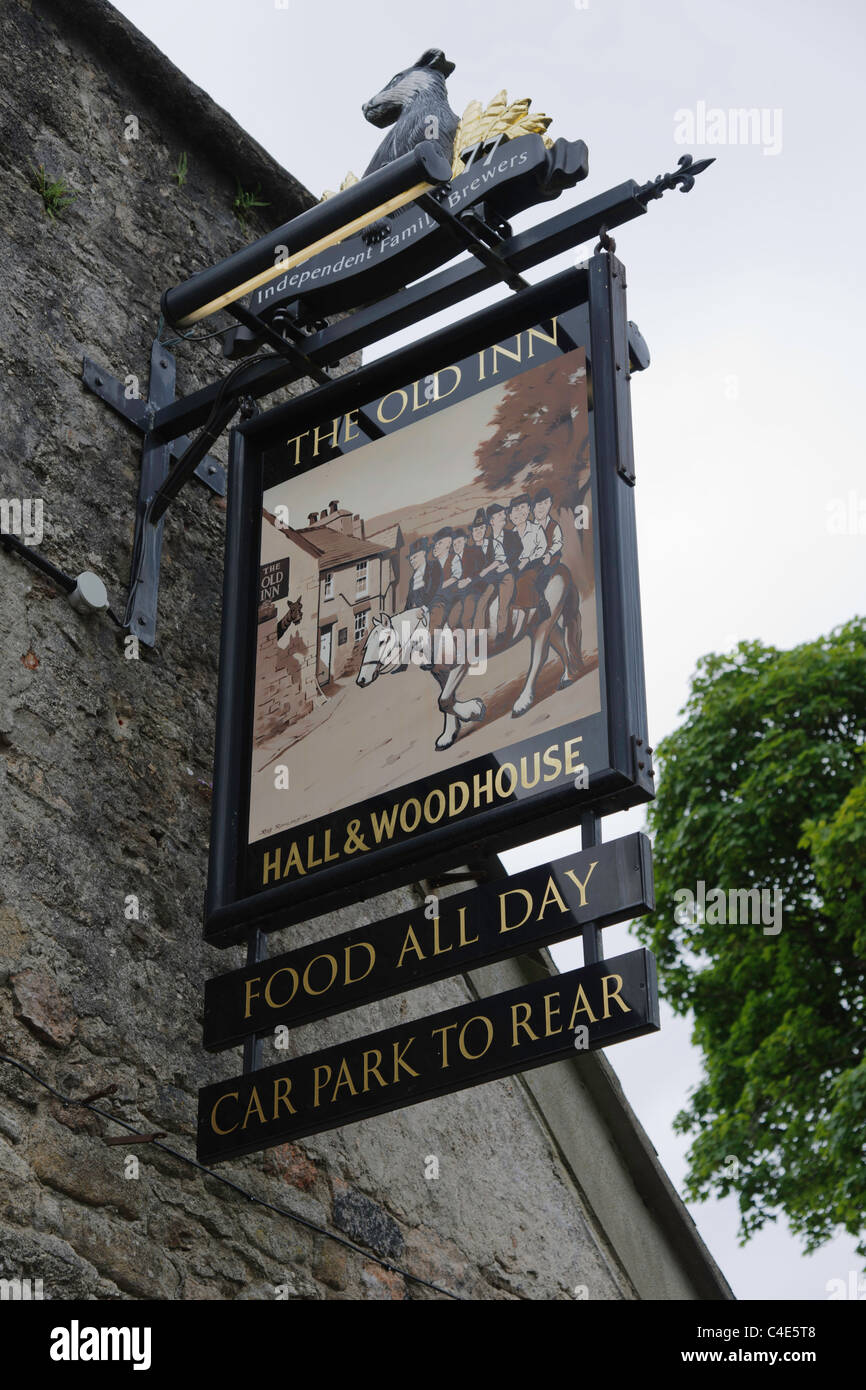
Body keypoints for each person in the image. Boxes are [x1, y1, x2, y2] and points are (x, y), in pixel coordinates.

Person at [508, 493, 546, 638]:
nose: (520, 512)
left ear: (529, 509)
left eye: (523, 508)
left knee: (523, 581)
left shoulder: (535, 529)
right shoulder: (511, 534)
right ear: (511, 515)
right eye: (516, 509)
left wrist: (528, 559)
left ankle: (524, 615)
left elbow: (541, 548)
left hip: (534, 564)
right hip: (517, 566)